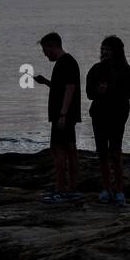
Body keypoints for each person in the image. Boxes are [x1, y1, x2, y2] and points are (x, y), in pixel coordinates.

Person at [86, 35, 130, 205]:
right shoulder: (96, 69)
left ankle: (120, 190)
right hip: (99, 115)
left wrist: (111, 90)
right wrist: (98, 91)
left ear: (117, 51)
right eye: (103, 49)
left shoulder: (125, 70)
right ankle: (106, 189)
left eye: (108, 49)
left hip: (117, 115)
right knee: (102, 153)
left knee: (115, 152)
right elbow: (89, 93)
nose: (105, 52)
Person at [34, 32, 82, 202]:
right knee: (69, 149)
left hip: (63, 116)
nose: (44, 53)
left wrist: (62, 115)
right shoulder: (65, 63)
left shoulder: (66, 63)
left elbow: (70, 89)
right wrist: (46, 82)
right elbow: (61, 87)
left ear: (51, 46)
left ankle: (62, 190)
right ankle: (71, 190)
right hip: (65, 115)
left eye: (45, 49)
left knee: (60, 151)